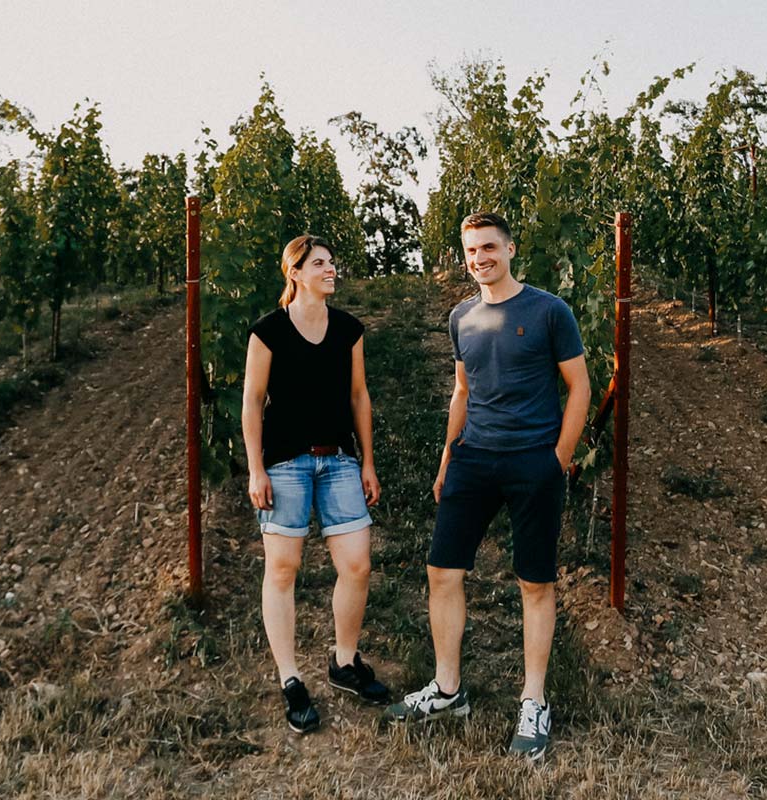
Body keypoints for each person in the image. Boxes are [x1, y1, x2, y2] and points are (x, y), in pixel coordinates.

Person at [383, 212, 591, 760]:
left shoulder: (550, 311)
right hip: (474, 458)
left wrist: (558, 459)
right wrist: (448, 456)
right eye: (472, 251)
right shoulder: (460, 317)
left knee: (534, 582)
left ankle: (533, 700)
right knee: (442, 570)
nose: (480, 259)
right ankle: (449, 689)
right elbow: (461, 391)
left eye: (489, 248)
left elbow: (579, 387)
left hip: (532, 463)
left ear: (511, 249)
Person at [242, 234, 389, 734]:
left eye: (331, 262)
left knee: (357, 565)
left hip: (340, 462)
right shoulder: (267, 332)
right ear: (296, 273)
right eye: (320, 264)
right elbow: (251, 402)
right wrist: (255, 468)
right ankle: (290, 680)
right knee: (282, 570)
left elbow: (359, 397)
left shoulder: (349, 329)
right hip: (284, 465)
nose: (331, 270)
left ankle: (344, 663)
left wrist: (367, 461)